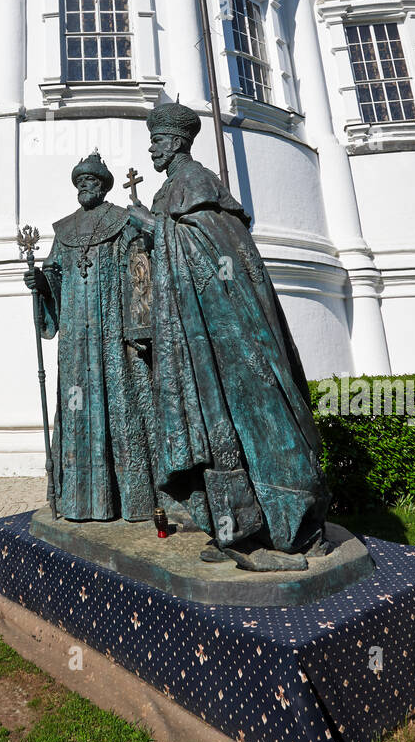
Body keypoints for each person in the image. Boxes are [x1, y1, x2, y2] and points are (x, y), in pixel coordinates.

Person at [128, 104, 329, 568]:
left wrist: (154, 227)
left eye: (157, 142)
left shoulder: (197, 185)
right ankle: (233, 530)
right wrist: (155, 228)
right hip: (194, 334)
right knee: (212, 426)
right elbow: (174, 246)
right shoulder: (169, 194)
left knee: (246, 417)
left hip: (224, 331)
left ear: (176, 142)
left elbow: (217, 252)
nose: (153, 150)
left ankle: (284, 528)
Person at [24, 151, 157, 521]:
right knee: (75, 407)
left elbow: (141, 272)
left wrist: (140, 326)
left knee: (121, 405)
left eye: (92, 182)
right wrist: (41, 284)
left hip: (111, 335)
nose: (85, 187)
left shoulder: (121, 221)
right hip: (75, 344)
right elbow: (56, 275)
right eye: (80, 182)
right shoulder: (64, 230)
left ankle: (128, 500)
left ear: (103, 185)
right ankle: (77, 500)